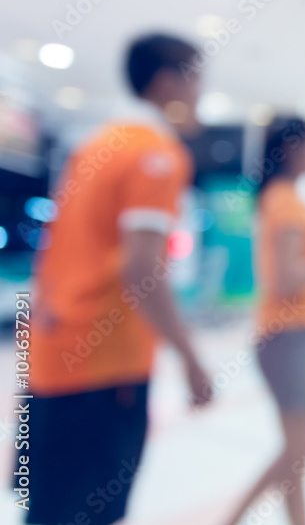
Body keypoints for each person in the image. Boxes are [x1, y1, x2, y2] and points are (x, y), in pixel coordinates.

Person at [24, 34, 213, 525]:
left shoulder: (95, 145)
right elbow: (140, 268)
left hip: (54, 348)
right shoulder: (156, 154)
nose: (200, 94)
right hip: (103, 362)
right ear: (168, 83)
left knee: (51, 506)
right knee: (92, 509)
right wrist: (191, 359)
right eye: (196, 80)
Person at [225, 118, 305, 525]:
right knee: (300, 447)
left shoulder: (285, 199)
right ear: (294, 149)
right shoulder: (285, 202)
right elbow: (286, 279)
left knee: (296, 451)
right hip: (287, 335)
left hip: (292, 336)